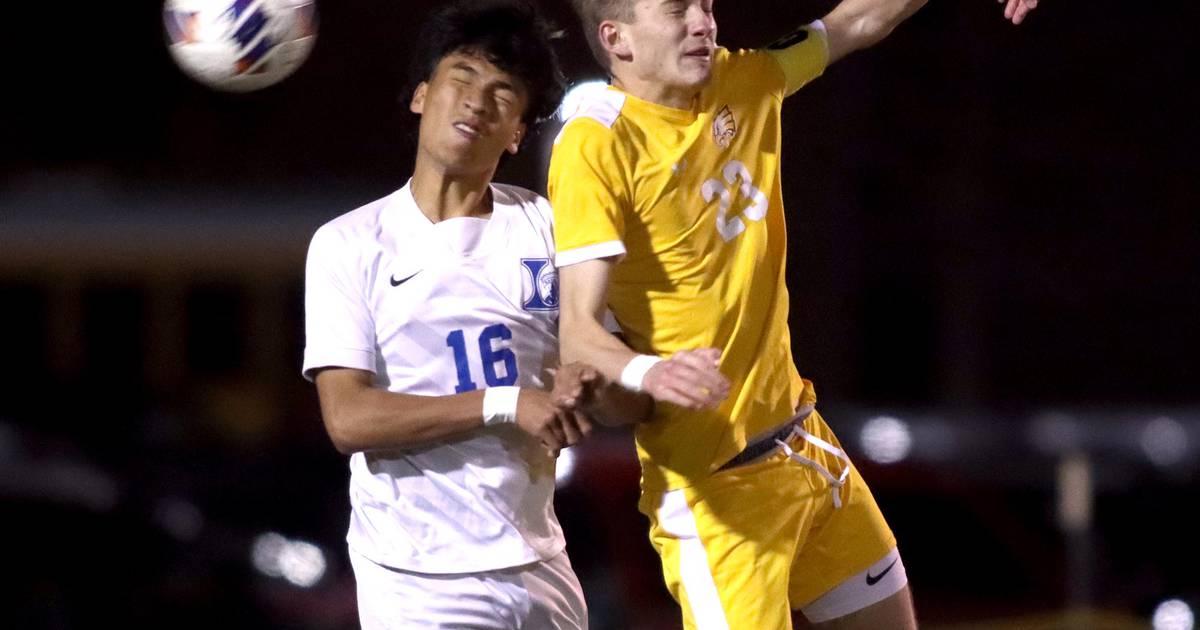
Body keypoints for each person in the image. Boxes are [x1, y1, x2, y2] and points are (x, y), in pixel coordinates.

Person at [550, 0, 1041, 628]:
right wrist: (651, 371)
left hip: (807, 447)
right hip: (717, 492)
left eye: (706, 5)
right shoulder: (596, 143)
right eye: (677, 11)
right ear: (617, 38)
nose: (703, 22)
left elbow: (855, 21)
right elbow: (578, 335)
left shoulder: (747, 78)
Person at [303, 2, 648, 628]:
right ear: (420, 95)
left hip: (540, 563)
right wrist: (506, 402)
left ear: (517, 132)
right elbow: (348, 419)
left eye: (503, 92)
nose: (477, 101)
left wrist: (592, 383)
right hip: (416, 579)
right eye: (461, 76)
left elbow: (628, 406)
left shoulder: (549, 229)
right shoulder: (349, 243)